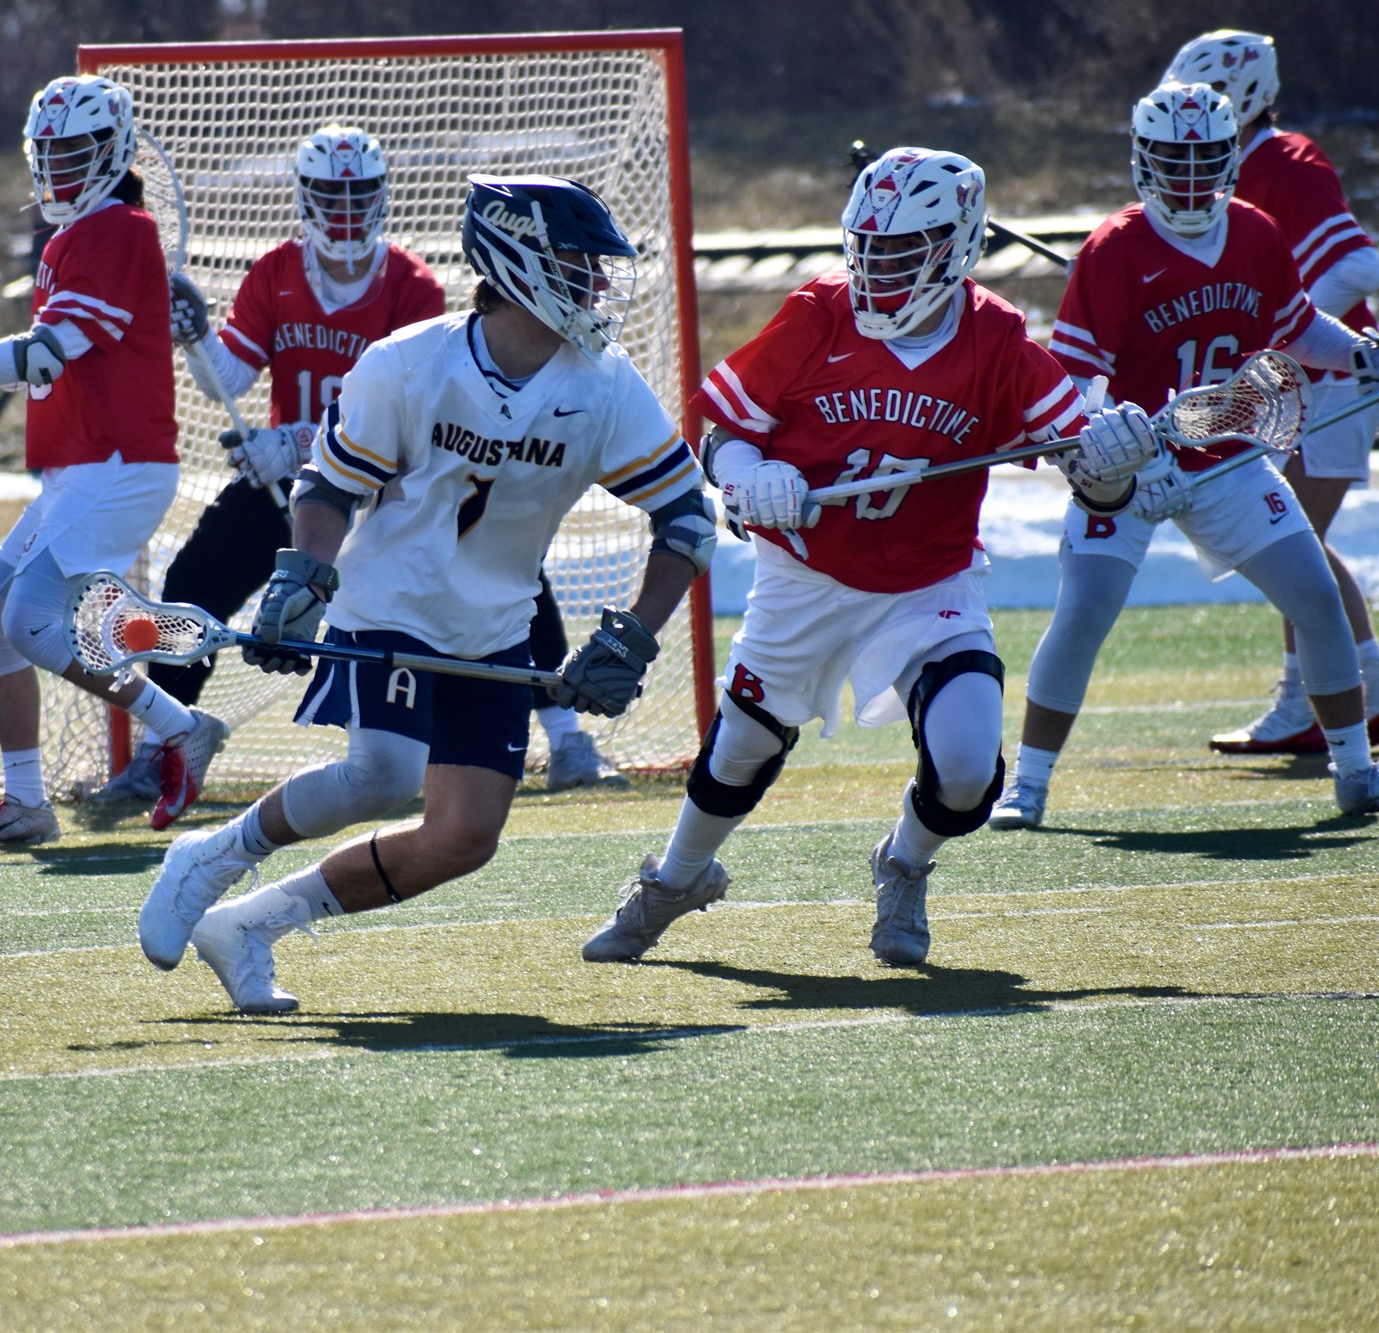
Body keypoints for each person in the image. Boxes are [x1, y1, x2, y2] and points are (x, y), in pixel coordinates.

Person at [138, 175, 715, 1012]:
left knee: (463, 837)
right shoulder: (409, 362)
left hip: (494, 625)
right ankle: (212, 856)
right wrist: (305, 575)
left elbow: (687, 521)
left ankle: (249, 925)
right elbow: (328, 486)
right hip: (390, 605)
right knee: (381, 774)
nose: (597, 284)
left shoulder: (604, 382)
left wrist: (633, 635)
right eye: (578, 265)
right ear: (517, 263)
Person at [582, 147, 1139, 968]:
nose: (879, 269)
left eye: (903, 250)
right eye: (868, 248)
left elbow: (1088, 476)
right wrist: (749, 474)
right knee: (741, 746)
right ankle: (674, 880)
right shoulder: (818, 313)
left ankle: (903, 863)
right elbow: (722, 434)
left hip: (928, 582)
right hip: (805, 574)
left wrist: (1114, 462)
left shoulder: (996, 338)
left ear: (956, 245)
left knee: (964, 769)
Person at [93, 125, 628, 808]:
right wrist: (197, 336)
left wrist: (289, 438)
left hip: (397, 484)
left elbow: (423, 399)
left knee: (510, 565)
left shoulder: (411, 283)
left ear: (381, 197)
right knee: (193, 578)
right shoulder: (274, 273)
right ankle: (163, 749)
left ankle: (569, 739)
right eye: (330, 195)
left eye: (359, 194)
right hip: (299, 488)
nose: (345, 210)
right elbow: (226, 376)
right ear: (305, 197)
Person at [989, 83, 1379, 832]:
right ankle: (1027, 784)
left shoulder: (1257, 232)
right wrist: (1111, 445)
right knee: (1084, 612)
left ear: (1231, 156)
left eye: (1206, 158)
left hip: (1228, 459)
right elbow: (1070, 386)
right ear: (1144, 159)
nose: (1192, 176)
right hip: (1131, 466)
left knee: (1317, 599)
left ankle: (1356, 768)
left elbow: (1295, 326)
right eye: (1175, 158)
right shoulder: (1113, 248)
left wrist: (1359, 354)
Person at [0, 74, 228, 846]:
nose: (60, 167)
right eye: (50, 152)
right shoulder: (74, 237)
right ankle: (28, 804)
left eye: (77, 151)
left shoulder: (118, 229)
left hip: (121, 464)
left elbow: (43, 355)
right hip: (85, 467)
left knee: (29, 622)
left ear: (113, 150)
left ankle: (178, 725)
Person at [1162, 32, 1379, 754]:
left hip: (1331, 382)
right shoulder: (1233, 173)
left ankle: (1333, 697)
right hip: (1299, 389)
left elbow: (1354, 265)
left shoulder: (1286, 161)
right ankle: (1336, 694)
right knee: (1295, 542)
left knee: (1294, 543)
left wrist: (1284, 332)